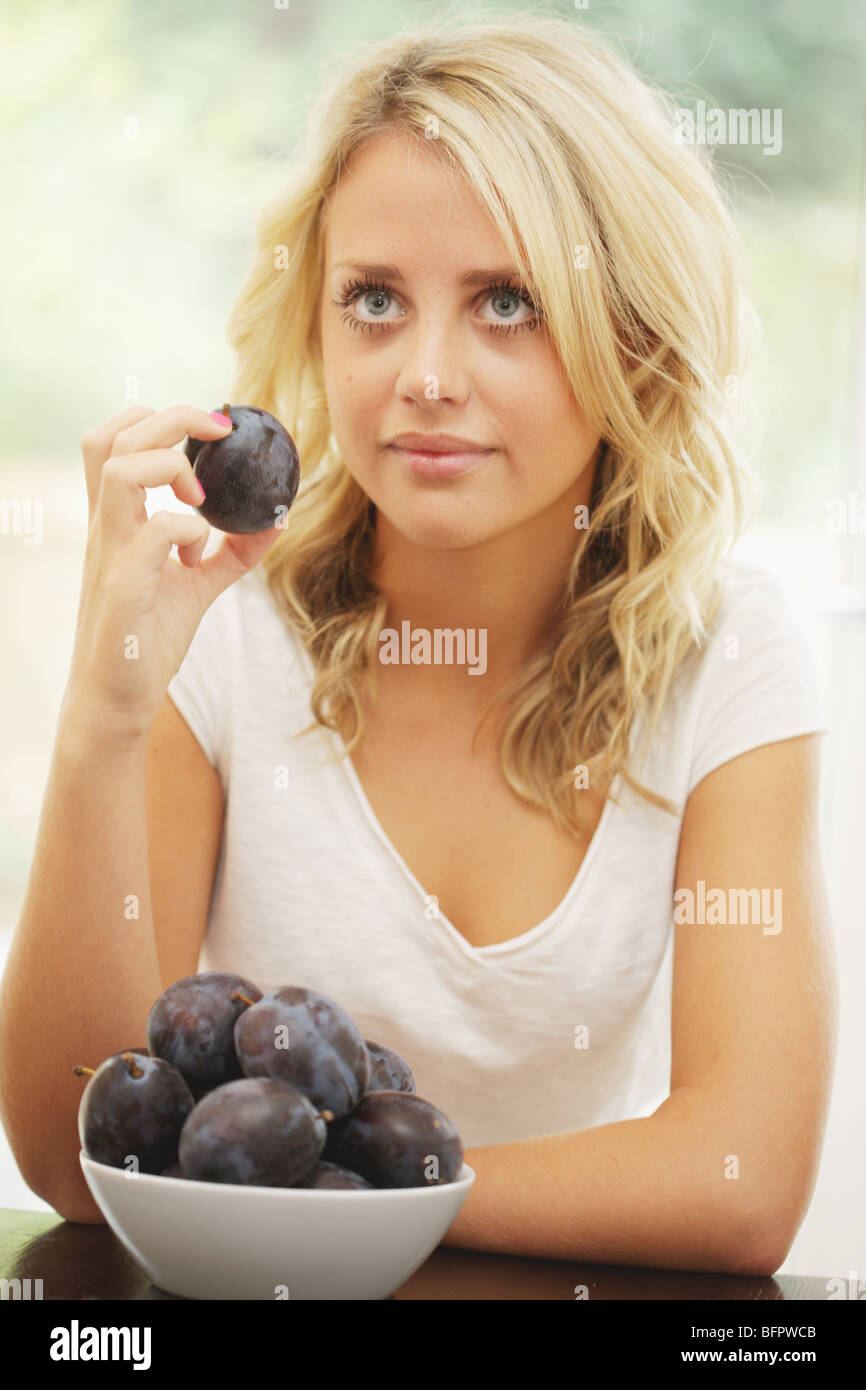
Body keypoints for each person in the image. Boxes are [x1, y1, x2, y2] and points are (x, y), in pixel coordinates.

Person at [0, 12, 837, 1275]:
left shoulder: (724, 651)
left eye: (507, 302)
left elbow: (738, 1179)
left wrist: (341, 1190)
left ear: (629, 329)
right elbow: (80, 1161)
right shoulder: (227, 621)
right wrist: (104, 717)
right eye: (374, 300)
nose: (425, 374)